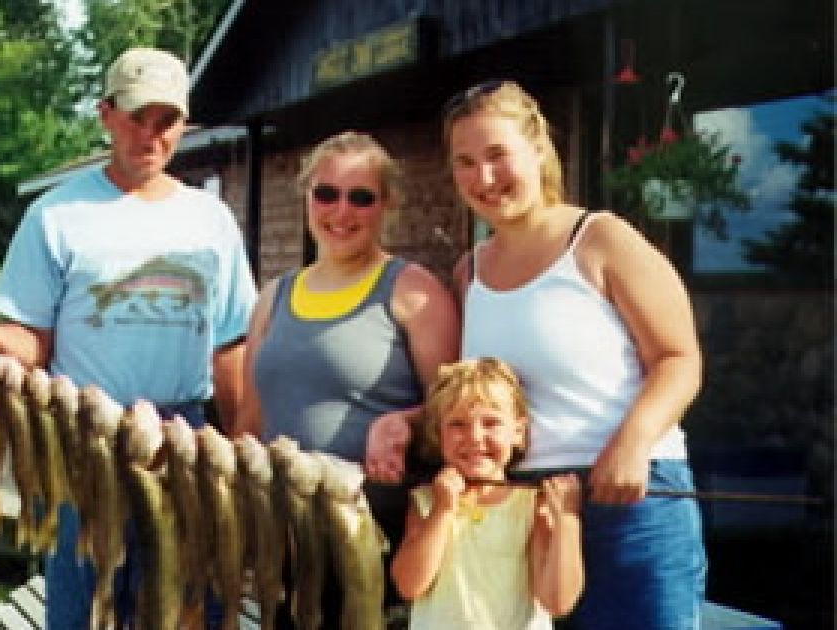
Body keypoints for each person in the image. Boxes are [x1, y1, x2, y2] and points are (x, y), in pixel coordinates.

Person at [0, 47, 257, 628]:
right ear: (106, 114)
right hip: (83, 439)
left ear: (184, 125)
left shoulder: (213, 220)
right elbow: (32, 339)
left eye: (166, 120)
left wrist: (241, 448)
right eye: (136, 117)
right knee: (81, 606)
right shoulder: (55, 215)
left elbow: (231, 347)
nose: (150, 135)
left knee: (186, 607)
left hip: (184, 439)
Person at [370, 79, 708, 628]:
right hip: (520, 509)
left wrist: (632, 444)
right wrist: (403, 422)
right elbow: (475, 394)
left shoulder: (602, 239)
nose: (484, 178)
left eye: (498, 155)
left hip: (631, 500)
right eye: (465, 162)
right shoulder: (468, 272)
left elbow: (679, 359)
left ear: (538, 148)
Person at [236, 130, 460, 624]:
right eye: (326, 193)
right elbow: (250, 419)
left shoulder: (414, 292)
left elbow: (454, 413)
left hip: (371, 541)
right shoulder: (274, 295)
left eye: (361, 197)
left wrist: (403, 423)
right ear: (306, 197)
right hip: (282, 540)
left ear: (387, 205)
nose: (342, 211)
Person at [391, 357, 583, 629]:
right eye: (458, 424)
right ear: (438, 434)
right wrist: (442, 510)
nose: (474, 436)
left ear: (517, 432)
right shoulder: (426, 501)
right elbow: (409, 585)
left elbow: (558, 602)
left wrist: (567, 521)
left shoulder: (533, 504)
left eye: (491, 423)